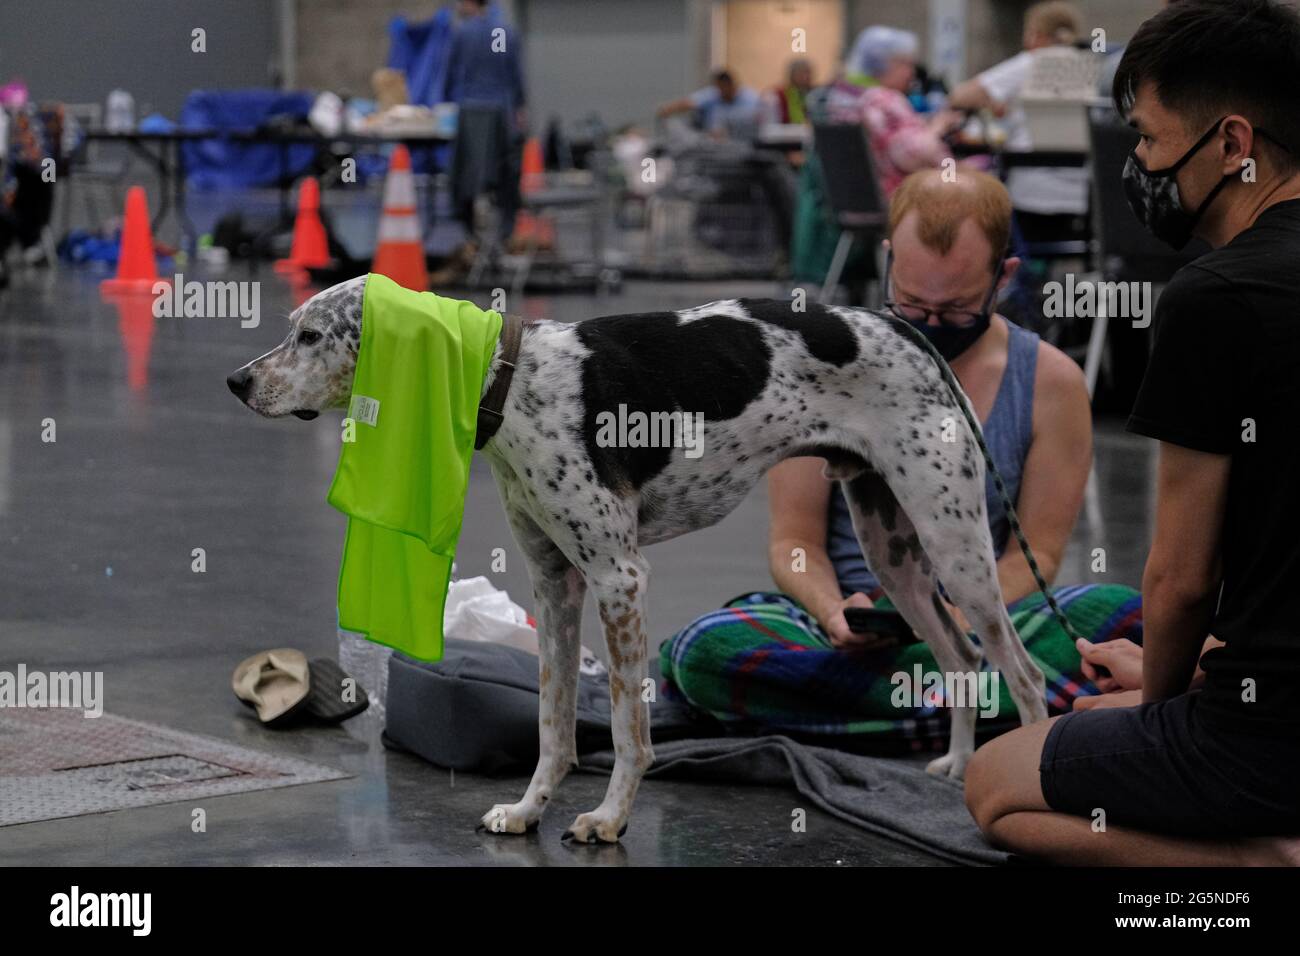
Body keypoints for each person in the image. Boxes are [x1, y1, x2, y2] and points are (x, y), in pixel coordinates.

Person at [965, 0, 1300, 865]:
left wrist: (1157, 706)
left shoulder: (1216, 297)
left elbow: (1182, 576)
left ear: (1234, 143)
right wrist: (1197, 671)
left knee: (995, 783)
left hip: (1272, 739)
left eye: (1148, 139)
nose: (1142, 163)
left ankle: (1258, 864)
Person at [661, 169, 1106, 739]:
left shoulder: (1050, 381)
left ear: (1004, 277)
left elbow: (1039, 555)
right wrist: (832, 612)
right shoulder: (822, 357)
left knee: (1116, 616)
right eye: (913, 306)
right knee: (706, 647)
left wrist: (957, 620)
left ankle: (880, 709)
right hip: (842, 633)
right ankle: (970, 704)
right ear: (889, 259)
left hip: (985, 616)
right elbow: (794, 543)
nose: (930, 326)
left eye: (955, 312)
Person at [947, 1, 1090, 235]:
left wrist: (992, 100)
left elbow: (960, 96)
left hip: (1029, 195)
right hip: (1082, 196)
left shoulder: (1031, 63)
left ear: (1035, 34)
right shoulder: (1089, 65)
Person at [436, 0, 527, 282]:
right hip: (502, 114)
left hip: (471, 112)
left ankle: (471, 239)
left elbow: (450, 74)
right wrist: (518, 109)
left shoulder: (461, 33)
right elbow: (516, 78)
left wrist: (445, 104)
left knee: (465, 180)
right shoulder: (508, 33)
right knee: (505, 178)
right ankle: (503, 237)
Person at [657, 70, 764, 142]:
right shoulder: (713, 95)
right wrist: (667, 110)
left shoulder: (750, 99)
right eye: (718, 87)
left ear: (731, 84)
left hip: (742, 143)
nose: (721, 91)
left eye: (723, 87)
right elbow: (689, 103)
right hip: (712, 144)